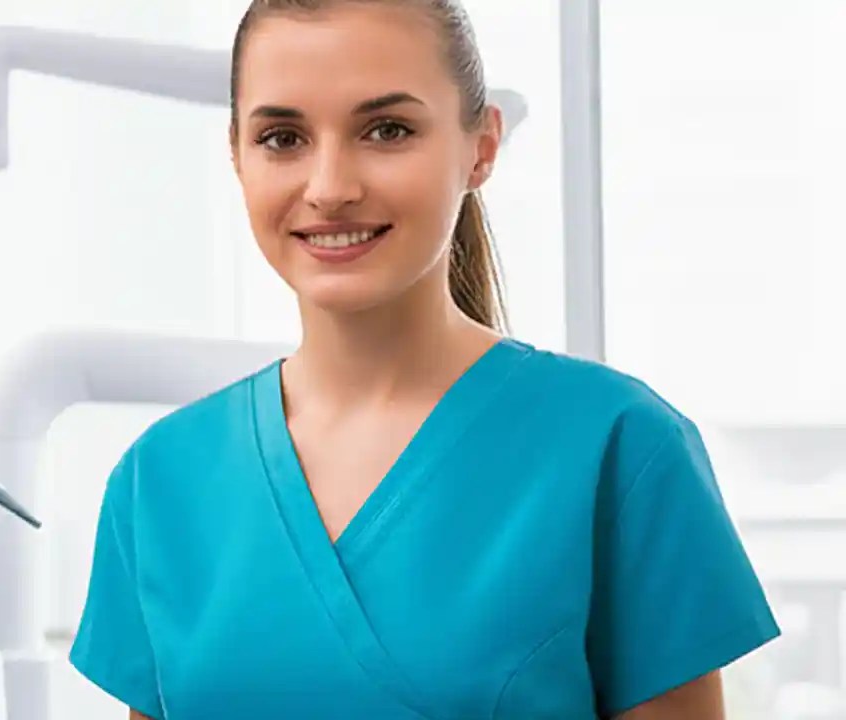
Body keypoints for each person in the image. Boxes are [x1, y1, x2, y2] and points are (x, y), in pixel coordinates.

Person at [69, 1, 780, 718]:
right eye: (283, 138)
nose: (330, 187)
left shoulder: (620, 447)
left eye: (387, 130)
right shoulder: (159, 482)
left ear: (482, 148)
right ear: (236, 156)